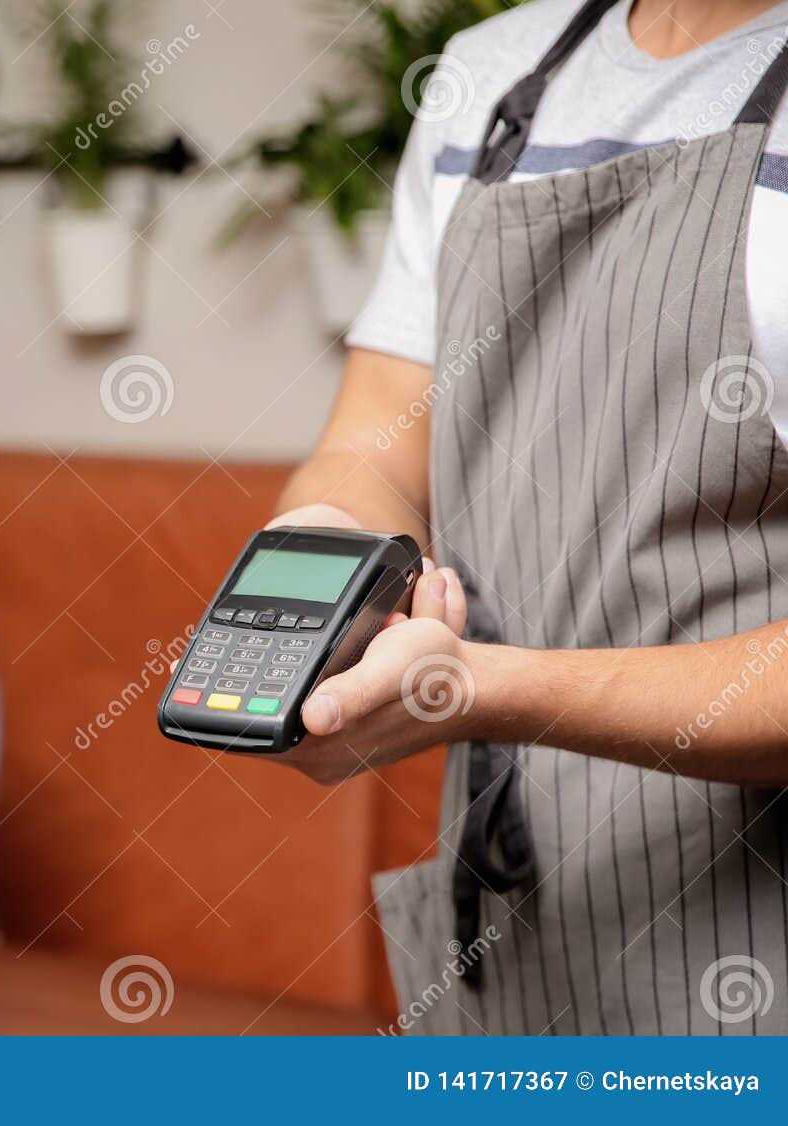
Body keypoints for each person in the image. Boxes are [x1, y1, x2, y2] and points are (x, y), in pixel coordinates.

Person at [269, 0, 788, 1033]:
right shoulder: (491, 74)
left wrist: (489, 688)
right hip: (516, 930)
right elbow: (372, 433)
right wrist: (311, 619)